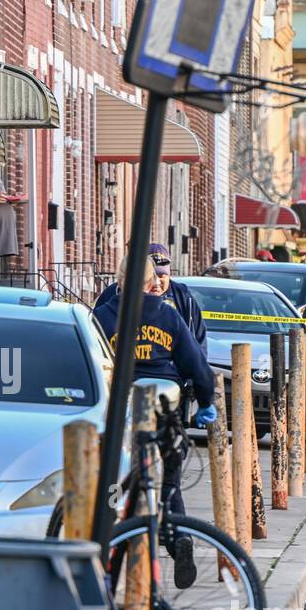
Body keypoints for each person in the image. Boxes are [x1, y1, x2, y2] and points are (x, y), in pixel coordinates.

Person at [94, 251, 217, 587]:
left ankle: (111, 540)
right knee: (169, 480)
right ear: (152, 283)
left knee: (115, 477)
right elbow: (198, 366)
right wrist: (206, 402)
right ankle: (178, 537)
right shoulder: (169, 316)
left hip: (122, 405)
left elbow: (91, 363)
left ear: (119, 282)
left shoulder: (103, 316)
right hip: (166, 404)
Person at [95, 243, 207, 351]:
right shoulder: (113, 294)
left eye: (161, 275)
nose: (156, 282)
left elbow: (198, 343)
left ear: (169, 275)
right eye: (151, 276)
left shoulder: (183, 297)